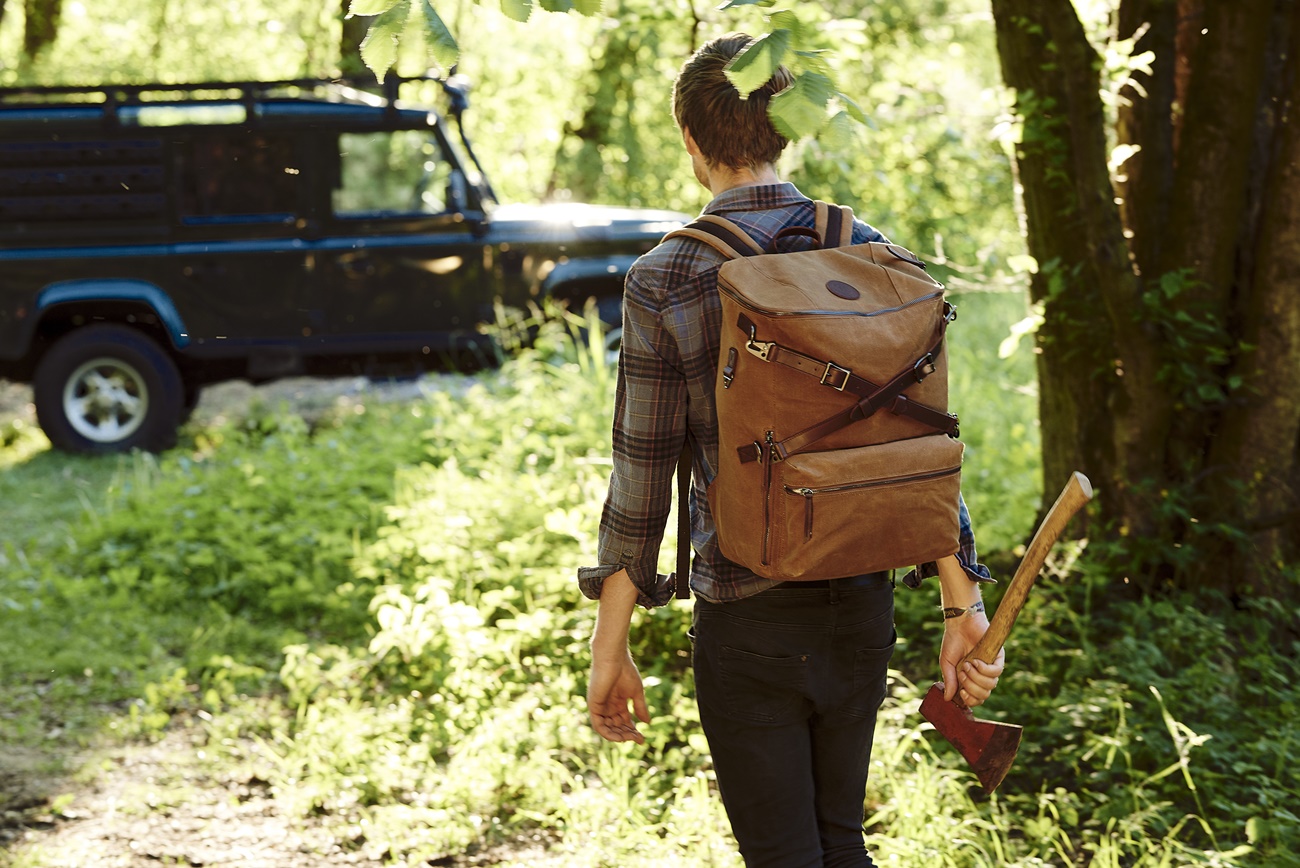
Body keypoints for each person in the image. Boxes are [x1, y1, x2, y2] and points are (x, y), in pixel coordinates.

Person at [578, 33, 1006, 868]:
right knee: (840, 844)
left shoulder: (665, 278)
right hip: (863, 605)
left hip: (750, 614)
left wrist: (612, 646)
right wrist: (963, 603)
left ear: (692, 145)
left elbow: (642, 482)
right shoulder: (868, 249)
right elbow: (914, 434)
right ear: (785, 131)